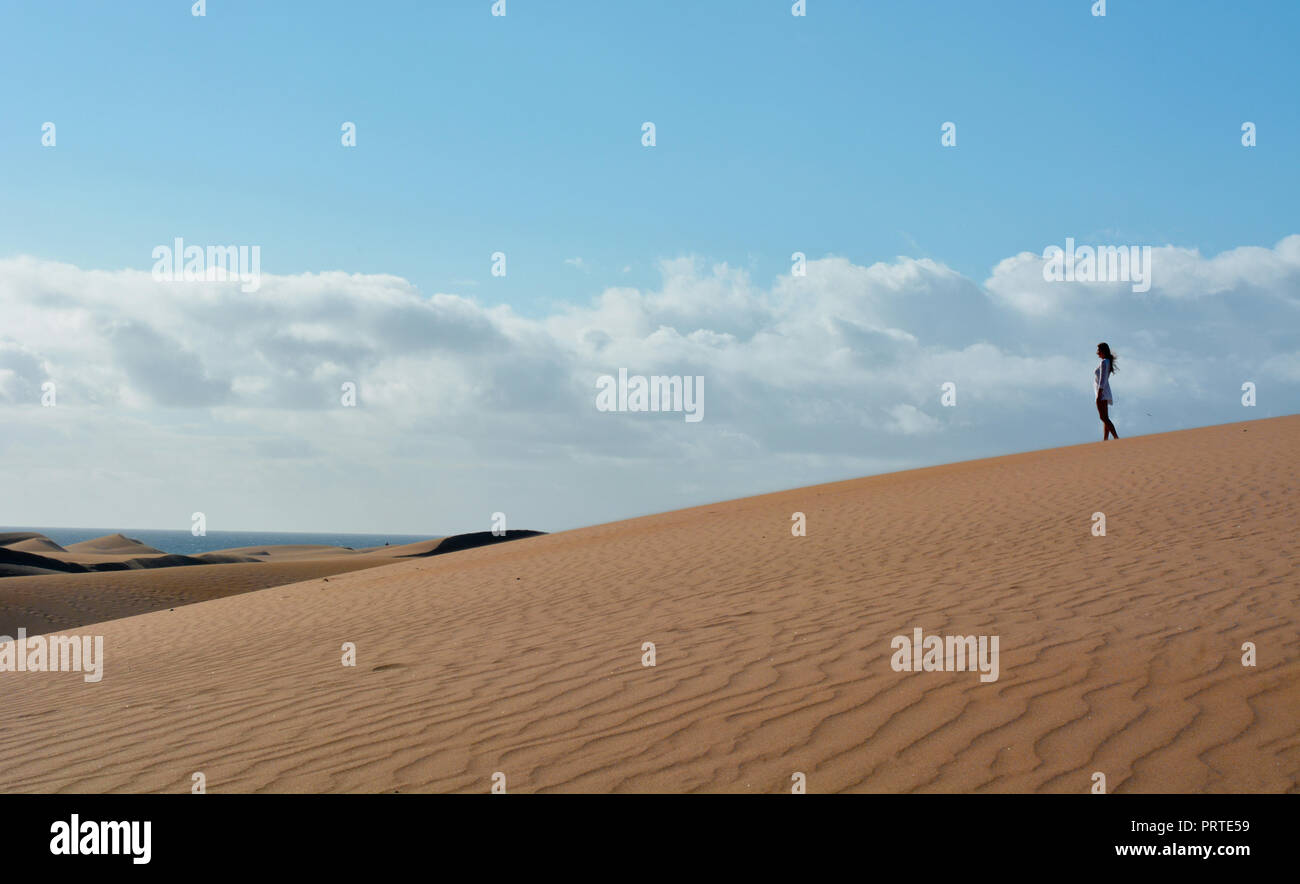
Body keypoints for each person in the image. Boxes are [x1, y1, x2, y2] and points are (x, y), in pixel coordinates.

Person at [1094, 343, 1119, 441]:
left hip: (1102, 392)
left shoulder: (1104, 362)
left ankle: (1116, 438)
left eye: (1098, 350)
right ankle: (1105, 440)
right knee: (1105, 418)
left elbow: (1103, 379)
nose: (1097, 353)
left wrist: (1099, 393)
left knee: (1103, 418)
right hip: (1104, 391)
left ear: (1103, 351)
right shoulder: (1106, 361)